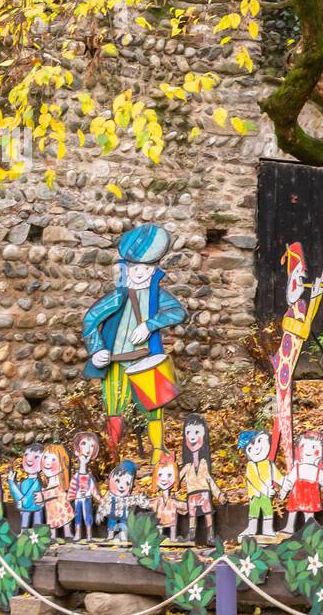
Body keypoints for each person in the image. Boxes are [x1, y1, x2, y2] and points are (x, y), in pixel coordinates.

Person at [83, 224, 186, 464]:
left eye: (145, 268)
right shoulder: (117, 296)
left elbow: (177, 312)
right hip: (115, 362)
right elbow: (90, 320)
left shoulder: (157, 296)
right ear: (125, 268)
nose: (139, 272)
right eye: (133, 267)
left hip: (145, 361)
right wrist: (97, 348)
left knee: (154, 408)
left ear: (153, 270)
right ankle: (112, 455)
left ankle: (158, 454)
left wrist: (150, 324)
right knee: (114, 409)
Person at [270, 243, 323, 472]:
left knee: (281, 415)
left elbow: (305, 328)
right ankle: (288, 462)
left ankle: (275, 457)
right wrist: (317, 294)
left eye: (301, 278)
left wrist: (316, 295)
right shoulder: (289, 312)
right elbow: (303, 331)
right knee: (283, 413)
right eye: (296, 278)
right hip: (283, 367)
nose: (299, 283)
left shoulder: (301, 306)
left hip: (288, 366)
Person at [180, 414, 222, 544]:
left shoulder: (204, 464)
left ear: (203, 435)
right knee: (192, 514)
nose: (192, 437)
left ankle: (210, 535)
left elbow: (210, 480)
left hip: (204, 492)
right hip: (191, 493)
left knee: (208, 512)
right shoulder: (187, 466)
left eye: (197, 432)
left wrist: (218, 494)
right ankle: (191, 534)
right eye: (188, 433)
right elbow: (176, 480)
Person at [279, 430, 323, 534]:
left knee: (309, 513)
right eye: (304, 446)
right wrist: (284, 490)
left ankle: (310, 530)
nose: (309, 450)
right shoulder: (297, 468)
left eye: (314, 447)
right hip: (297, 494)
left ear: (321, 452)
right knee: (292, 511)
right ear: (298, 450)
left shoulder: (318, 471)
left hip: (311, 495)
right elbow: (289, 480)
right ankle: (289, 528)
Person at [238, 430, 278, 538]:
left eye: (259, 443)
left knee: (267, 511)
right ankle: (252, 529)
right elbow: (254, 480)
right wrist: (265, 490)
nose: (256, 449)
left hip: (266, 495)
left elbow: (277, 475)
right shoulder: (250, 465)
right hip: (255, 494)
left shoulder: (268, 463)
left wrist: (285, 482)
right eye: (250, 448)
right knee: (254, 512)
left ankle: (268, 530)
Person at [68, 432, 101, 542]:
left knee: (88, 517)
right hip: (78, 500)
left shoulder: (89, 477)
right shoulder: (76, 477)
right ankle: (77, 534)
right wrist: (68, 499)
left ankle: (89, 535)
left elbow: (94, 490)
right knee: (77, 517)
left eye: (91, 446)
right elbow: (72, 489)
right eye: (84, 444)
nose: (88, 449)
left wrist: (101, 500)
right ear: (77, 451)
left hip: (87, 499)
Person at [9, 444, 46, 530]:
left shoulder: (37, 483)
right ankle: (24, 536)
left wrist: (11, 483)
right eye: (26, 455)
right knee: (24, 526)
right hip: (25, 511)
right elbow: (18, 498)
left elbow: (25, 502)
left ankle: (36, 537)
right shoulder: (23, 482)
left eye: (36, 457)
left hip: (36, 509)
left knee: (37, 527)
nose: (29, 460)